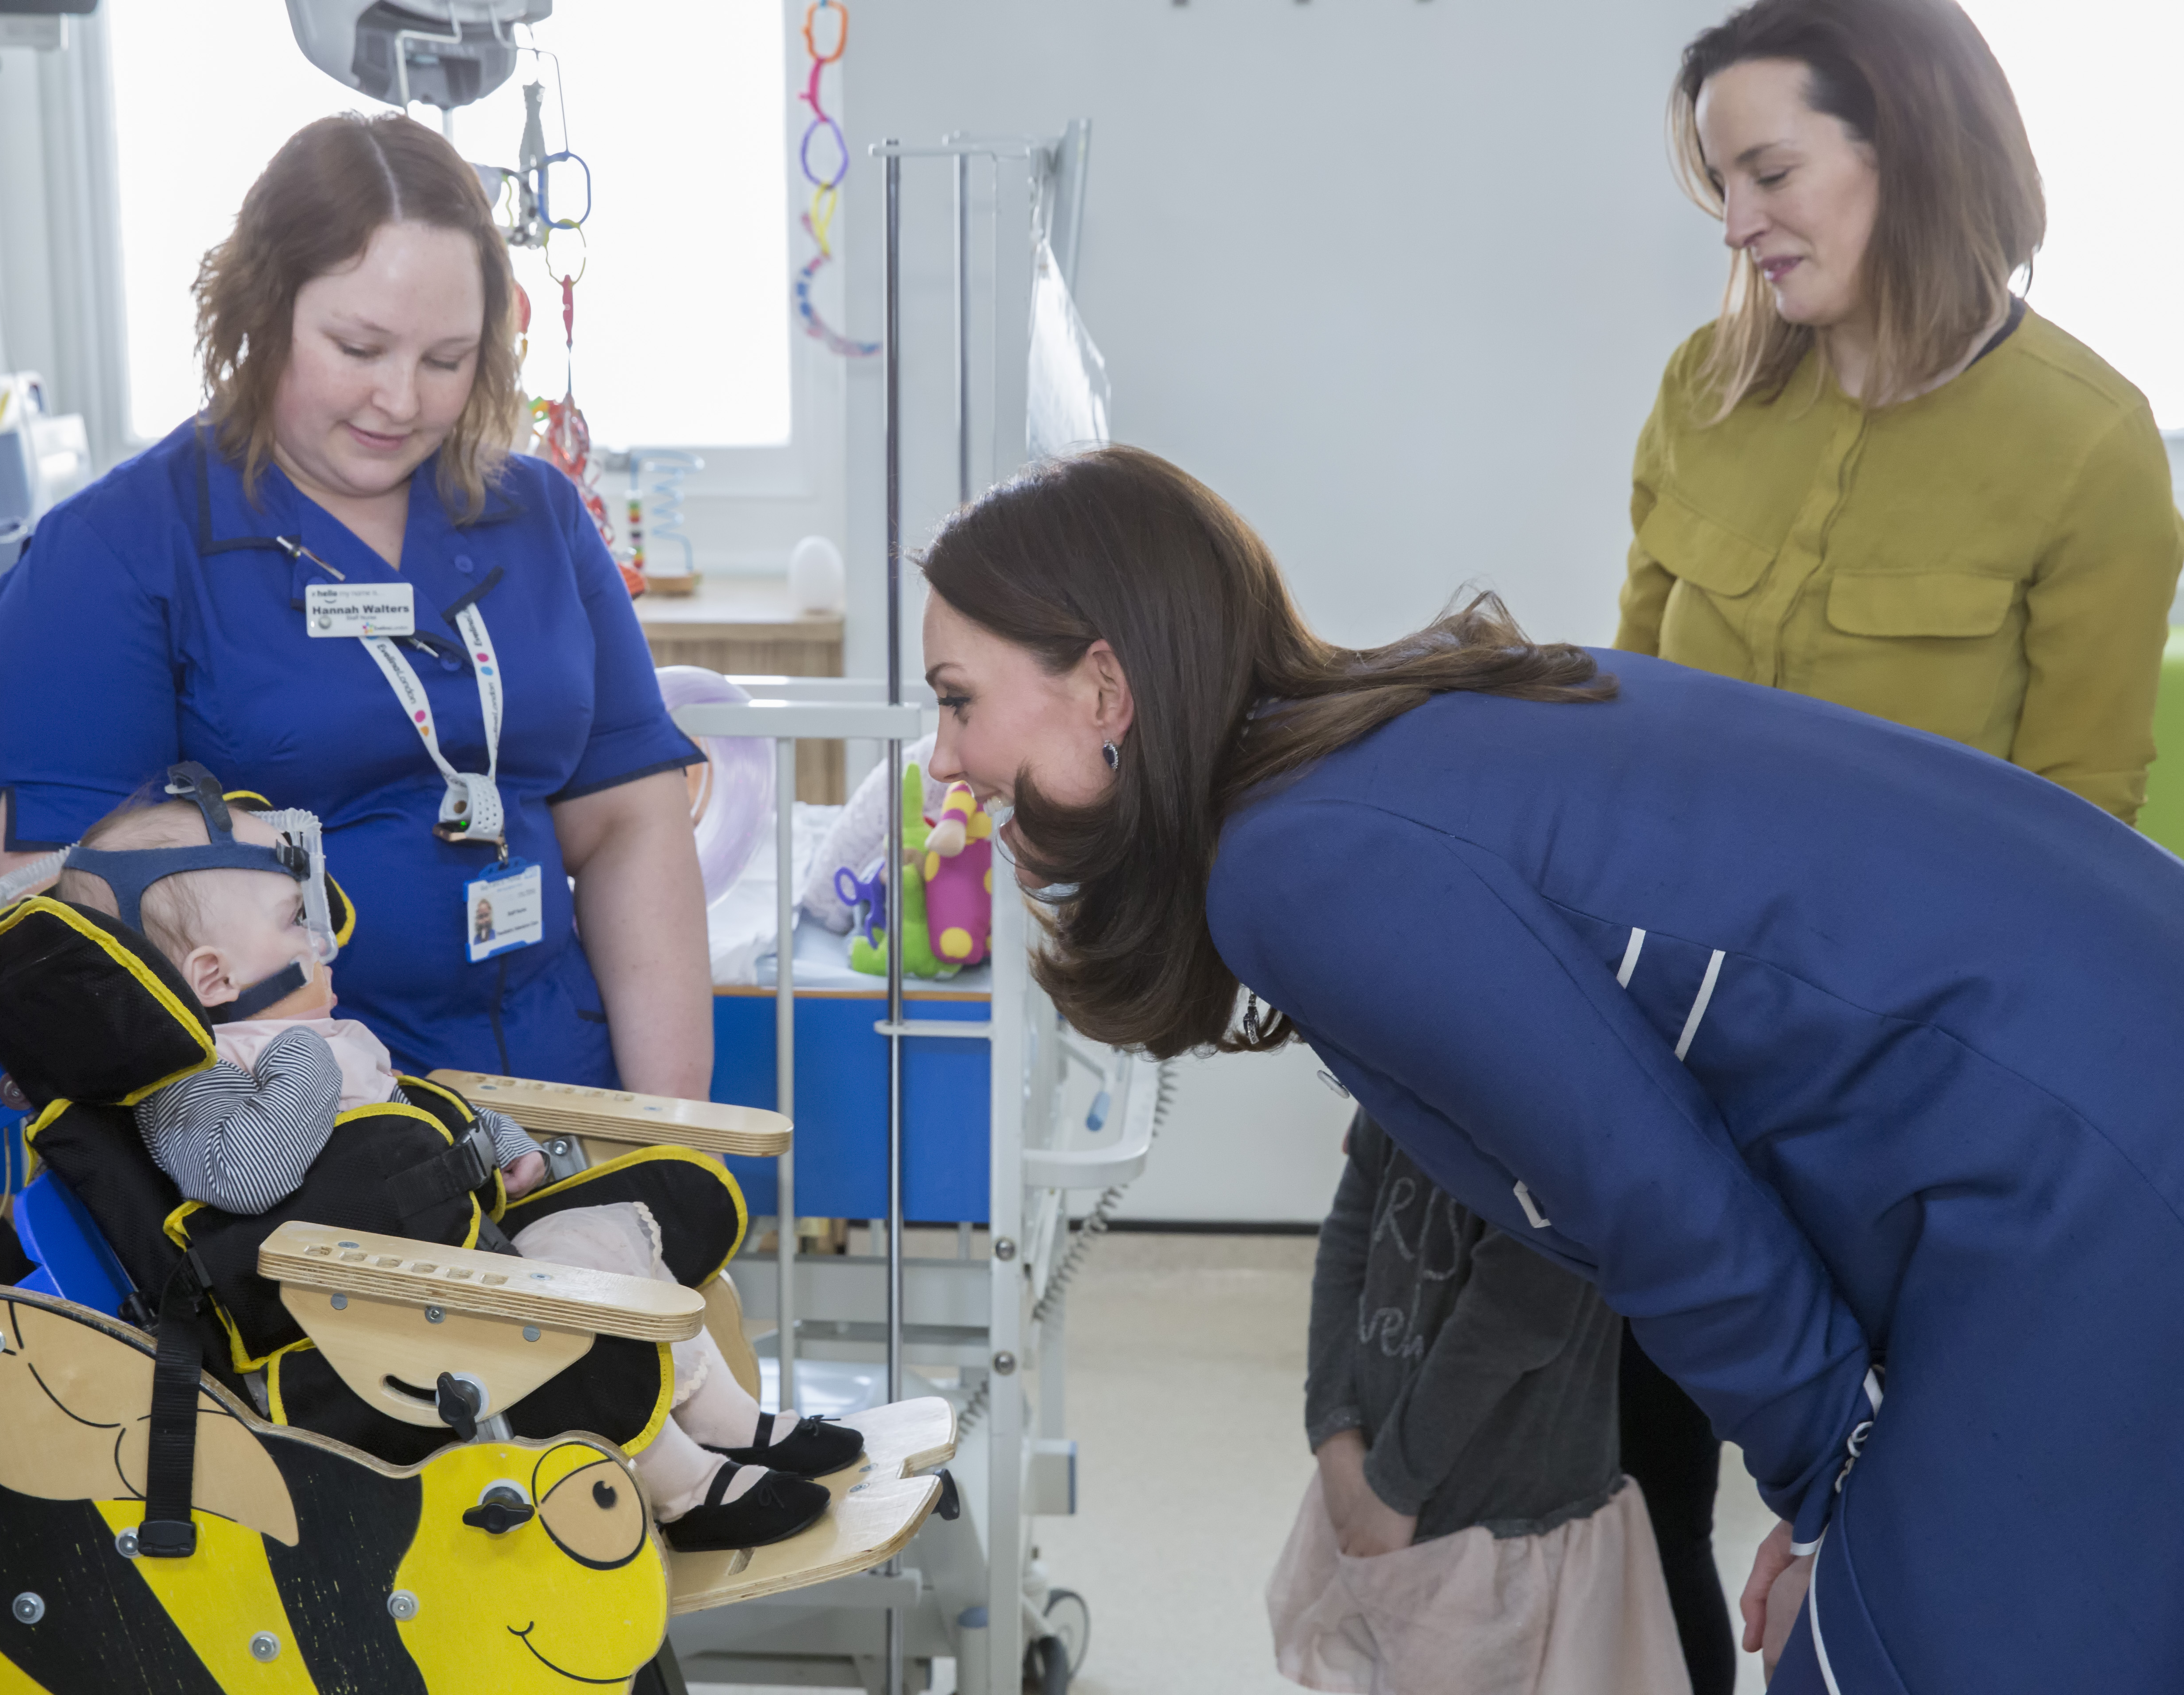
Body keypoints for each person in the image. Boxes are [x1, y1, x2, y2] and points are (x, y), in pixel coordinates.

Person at [919, 444, 2184, 1694]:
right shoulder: (1401, 733)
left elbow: (1651, 1196)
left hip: (2086, 1171)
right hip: (2091, 1089)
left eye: (957, 699)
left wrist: (1822, 1496)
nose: (942, 760)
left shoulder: (1295, 861)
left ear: (1103, 689)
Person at [1616, 5, 2183, 1680]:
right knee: (1629, 1493)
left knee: (1894, 1548)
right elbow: (1620, 729)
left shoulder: (2089, 446)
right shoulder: (1700, 393)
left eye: (1769, 169)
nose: (1736, 222)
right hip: (1667, 1071)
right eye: (1720, 182)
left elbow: (2072, 858)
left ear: (1908, 151)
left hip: (1904, 1113)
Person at [0, 113, 711, 1098]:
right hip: (288, 1136)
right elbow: (57, 923)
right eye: (358, 347)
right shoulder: (115, 554)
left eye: (447, 360)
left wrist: (667, 1135)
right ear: (260, 308)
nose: (401, 401)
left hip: (554, 1087)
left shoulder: (538, 520)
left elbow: (630, 828)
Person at [53, 786, 863, 1551]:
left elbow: (409, 1108)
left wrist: (495, 1139)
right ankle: (687, 1492)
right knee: (585, 1293)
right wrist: (307, 1061)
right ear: (213, 977)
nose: (321, 935)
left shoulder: (310, 1036)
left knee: (613, 1236)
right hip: (360, 1336)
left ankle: (727, 1420)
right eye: (295, 919)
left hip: (445, 1278)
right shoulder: (195, 1085)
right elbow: (241, 1180)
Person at [1269, 1108, 1687, 1694]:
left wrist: (1393, 1484)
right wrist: (1335, 1437)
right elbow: (1348, 1235)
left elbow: (1520, 1315)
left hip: (1506, 1529)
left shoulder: (1552, 1115)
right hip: (1371, 1488)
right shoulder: (1392, 1071)